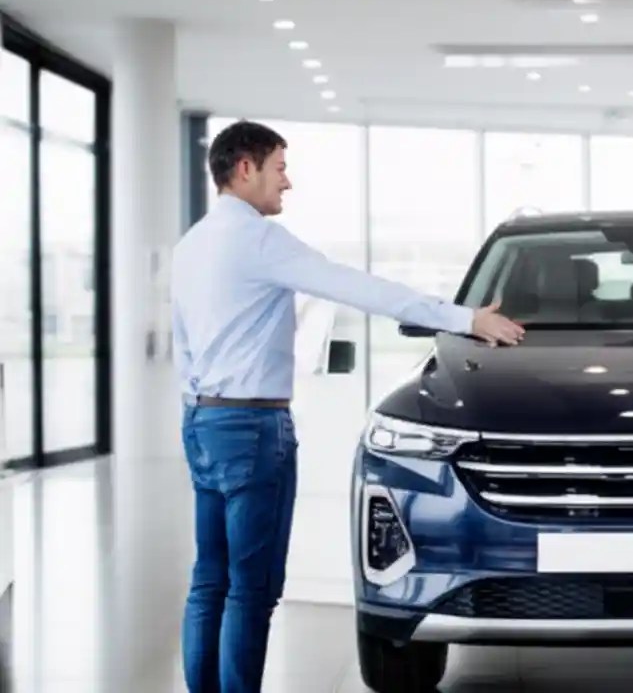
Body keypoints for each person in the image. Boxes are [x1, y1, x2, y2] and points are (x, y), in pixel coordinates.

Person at [171, 120, 524, 693]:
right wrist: (466, 319)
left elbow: (183, 343)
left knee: (209, 579)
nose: (287, 183)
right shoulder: (257, 239)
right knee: (251, 587)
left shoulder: (193, 244)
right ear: (245, 168)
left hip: (202, 417)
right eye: (280, 167)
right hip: (253, 426)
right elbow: (356, 287)